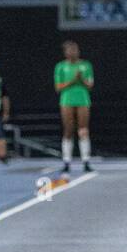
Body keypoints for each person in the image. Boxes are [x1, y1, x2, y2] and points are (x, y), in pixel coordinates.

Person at [54, 40, 94, 174]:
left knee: (83, 129)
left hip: (83, 100)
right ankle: (66, 161)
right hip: (67, 100)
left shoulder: (86, 65)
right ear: (65, 53)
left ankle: (86, 161)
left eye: (75, 50)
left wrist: (81, 79)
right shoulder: (60, 67)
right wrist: (72, 81)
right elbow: (58, 87)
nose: (73, 52)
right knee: (68, 130)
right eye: (70, 50)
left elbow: (90, 85)